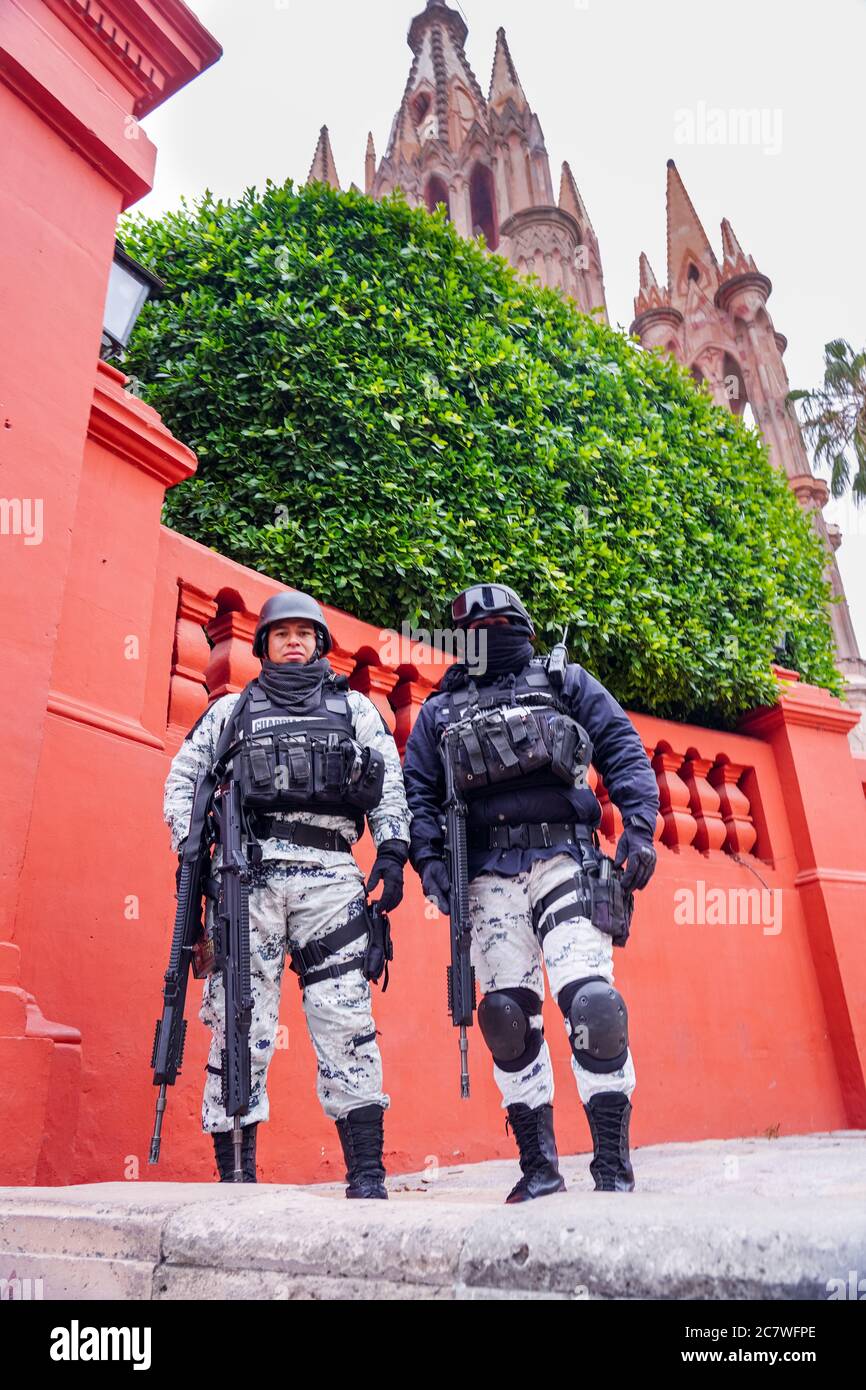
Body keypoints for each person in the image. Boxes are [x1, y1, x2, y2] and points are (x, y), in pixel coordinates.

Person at [402, 584, 659, 1201]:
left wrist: (640, 827)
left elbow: (622, 747)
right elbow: (420, 795)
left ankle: (612, 1167)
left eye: (499, 623)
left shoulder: (563, 679)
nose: (487, 636)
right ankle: (539, 1168)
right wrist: (431, 862)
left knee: (594, 1006)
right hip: (486, 877)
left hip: (566, 858)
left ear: (522, 626)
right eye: (474, 628)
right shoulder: (440, 711)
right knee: (506, 1018)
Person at [163, 591, 411, 1196]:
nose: (294, 641)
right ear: (265, 645)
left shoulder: (354, 708)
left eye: (306, 632)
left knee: (345, 1019)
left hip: (331, 879)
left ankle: (367, 1175)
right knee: (237, 1023)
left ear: (321, 644)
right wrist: (196, 854)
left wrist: (394, 852)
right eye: (282, 633)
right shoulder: (230, 712)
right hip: (247, 883)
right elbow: (181, 786)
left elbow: (387, 783)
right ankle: (238, 1175)